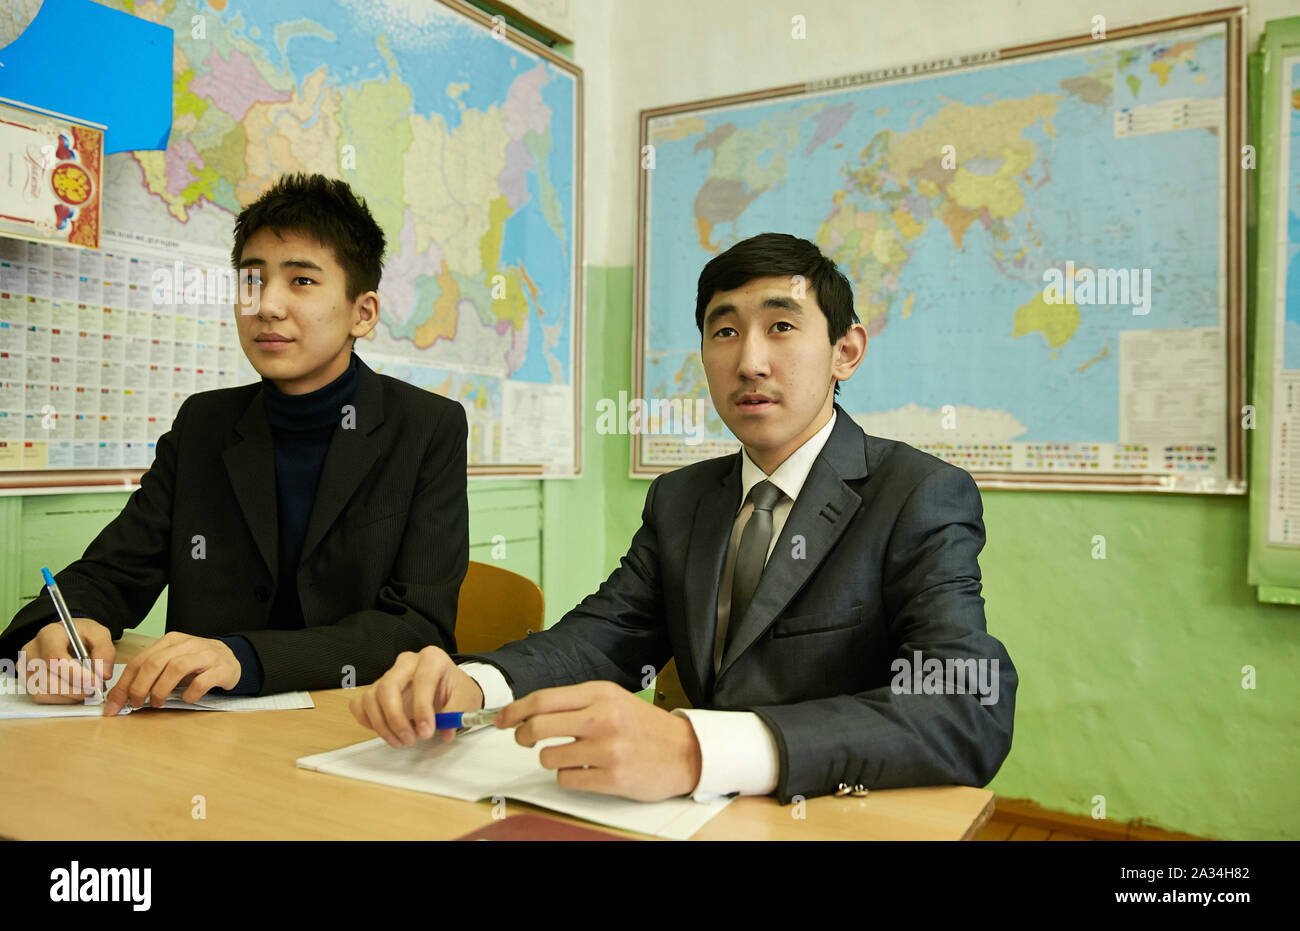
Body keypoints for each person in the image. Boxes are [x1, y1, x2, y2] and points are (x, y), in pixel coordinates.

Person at [351, 232, 1016, 804]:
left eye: (781, 325)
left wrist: (702, 747)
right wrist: (473, 681)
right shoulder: (682, 499)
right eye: (725, 330)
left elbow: (965, 705)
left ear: (846, 351)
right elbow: (604, 636)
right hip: (694, 815)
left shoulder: (918, 493)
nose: (749, 359)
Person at [0, 173, 469, 714]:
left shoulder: (426, 427)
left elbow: (415, 627)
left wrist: (244, 656)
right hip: (197, 733)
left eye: (301, 281)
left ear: (362, 312)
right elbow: (113, 571)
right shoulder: (205, 422)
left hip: (353, 727)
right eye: (251, 281)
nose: (266, 305)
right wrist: (69, 623)